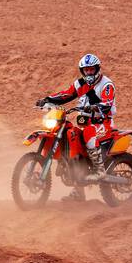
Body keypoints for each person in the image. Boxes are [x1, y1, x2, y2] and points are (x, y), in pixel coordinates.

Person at [35, 53, 117, 194]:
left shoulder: (106, 84)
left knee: (88, 132)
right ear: (82, 71)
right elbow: (66, 94)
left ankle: (100, 171)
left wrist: (96, 106)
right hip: (84, 123)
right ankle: (78, 184)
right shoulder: (80, 84)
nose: (89, 72)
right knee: (70, 133)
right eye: (86, 70)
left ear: (97, 69)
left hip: (103, 123)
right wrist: (47, 99)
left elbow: (108, 103)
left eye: (91, 69)